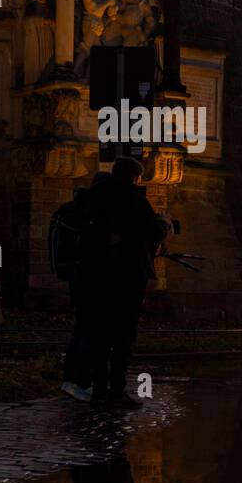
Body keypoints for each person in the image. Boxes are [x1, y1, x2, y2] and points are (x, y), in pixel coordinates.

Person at [79, 157, 168, 405]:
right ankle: (116, 390)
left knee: (99, 332)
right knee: (123, 333)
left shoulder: (93, 197)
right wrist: (164, 225)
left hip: (95, 272)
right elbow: (151, 231)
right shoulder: (134, 199)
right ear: (133, 177)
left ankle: (98, 389)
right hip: (127, 274)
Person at [59, 171, 111, 401]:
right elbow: (99, 247)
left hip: (77, 277)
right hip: (91, 279)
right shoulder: (92, 213)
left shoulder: (76, 209)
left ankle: (73, 379)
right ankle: (82, 381)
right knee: (91, 331)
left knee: (82, 329)